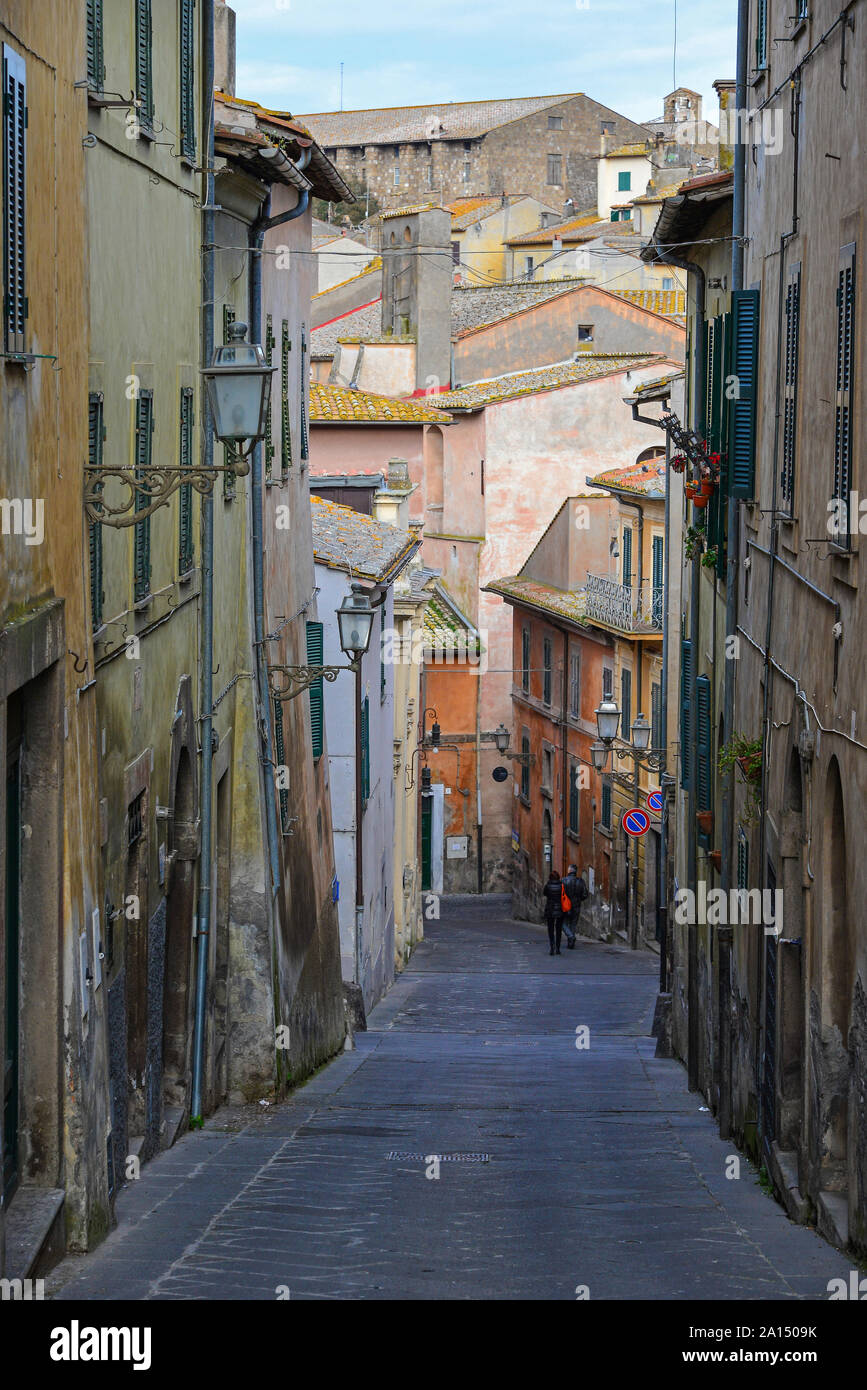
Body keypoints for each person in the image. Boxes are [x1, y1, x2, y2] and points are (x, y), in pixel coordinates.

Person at [562, 863, 588, 948]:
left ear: (569, 871)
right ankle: (571, 943)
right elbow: (585, 895)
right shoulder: (581, 881)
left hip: (566, 906)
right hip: (576, 906)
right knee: (573, 924)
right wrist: (579, 900)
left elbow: (560, 894)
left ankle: (571, 937)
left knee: (563, 923)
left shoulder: (564, 880)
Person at [542, 870, 564, 955]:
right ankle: (558, 948)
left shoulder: (548, 886)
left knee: (550, 929)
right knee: (559, 929)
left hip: (550, 909)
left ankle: (552, 947)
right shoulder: (562, 886)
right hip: (560, 909)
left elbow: (545, 893)